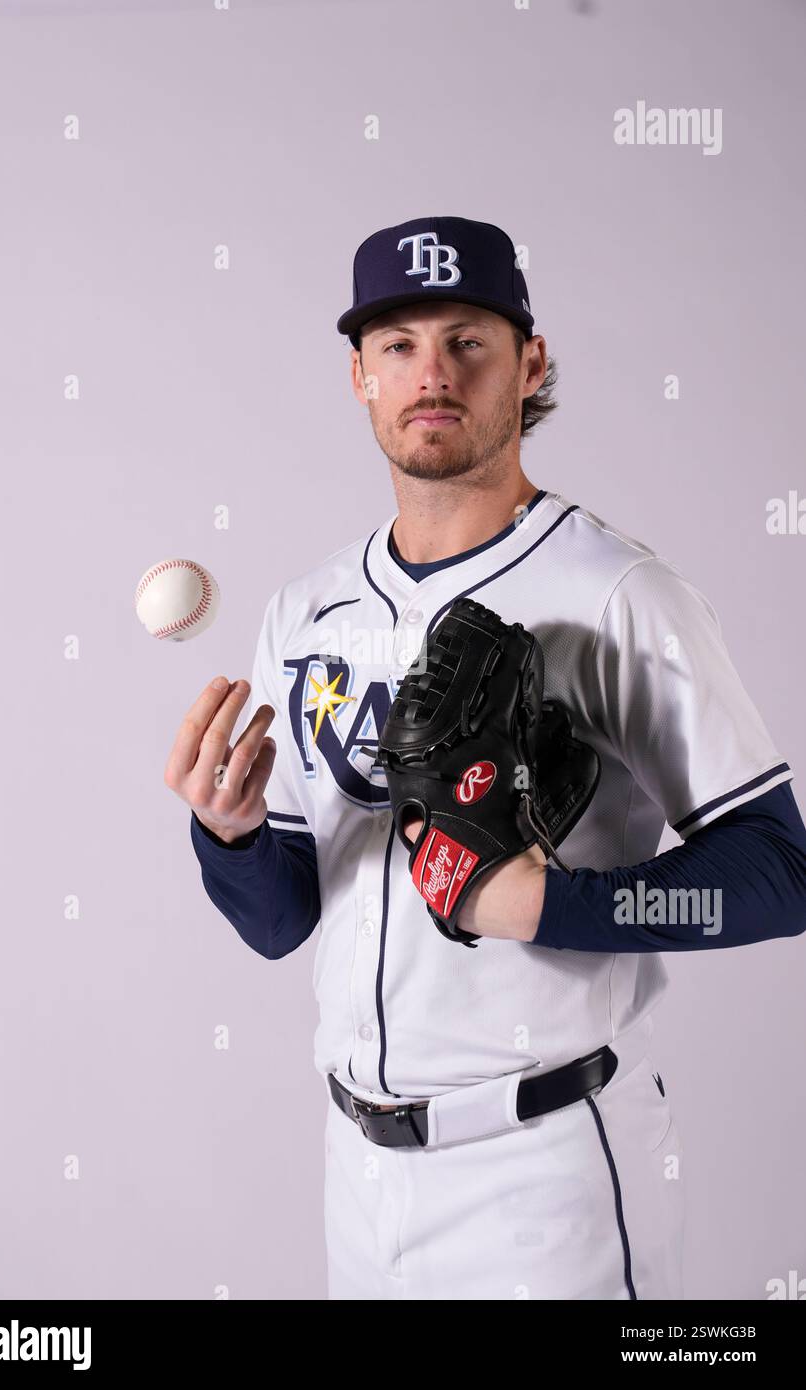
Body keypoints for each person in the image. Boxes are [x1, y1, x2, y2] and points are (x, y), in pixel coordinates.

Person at [164, 216, 806, 1300]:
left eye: (467, 339)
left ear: (530, 363)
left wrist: (548, 905)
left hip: (547, 1176)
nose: (433, 374)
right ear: (359, 377)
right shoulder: (304, 609)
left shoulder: (613, 593)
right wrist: (224, 834)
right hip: (357, 1177)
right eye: (400, 346)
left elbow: (777, 874)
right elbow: (280, 923)